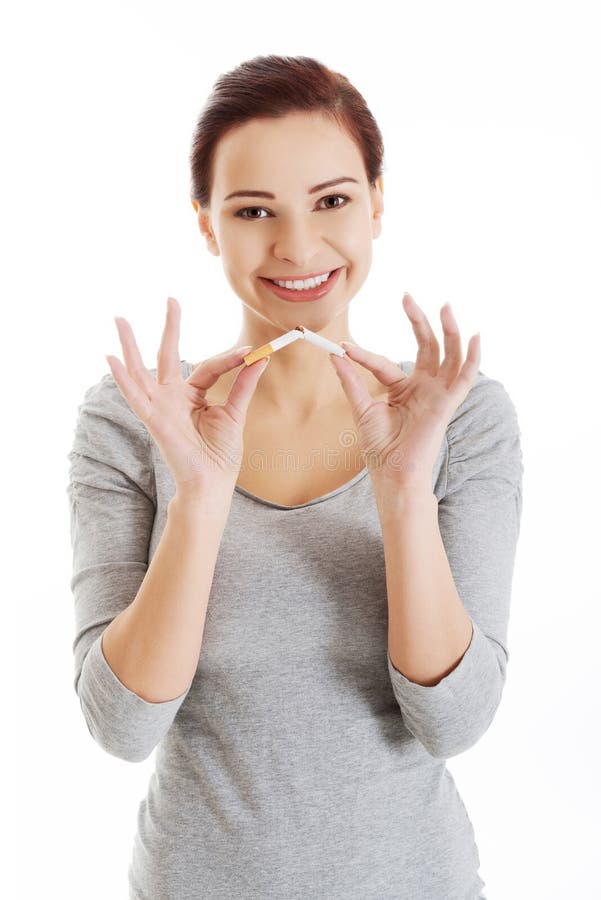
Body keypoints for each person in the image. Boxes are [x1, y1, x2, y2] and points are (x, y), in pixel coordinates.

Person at [67, 54, 523, 900]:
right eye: (252, 210)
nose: (298, 245)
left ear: (377, 204)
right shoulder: (134, 421)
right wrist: (200, 496)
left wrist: (401, 492)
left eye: (333, 200)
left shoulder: (460, 420)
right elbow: (123, 727)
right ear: (206, 223)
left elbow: (452, 721)